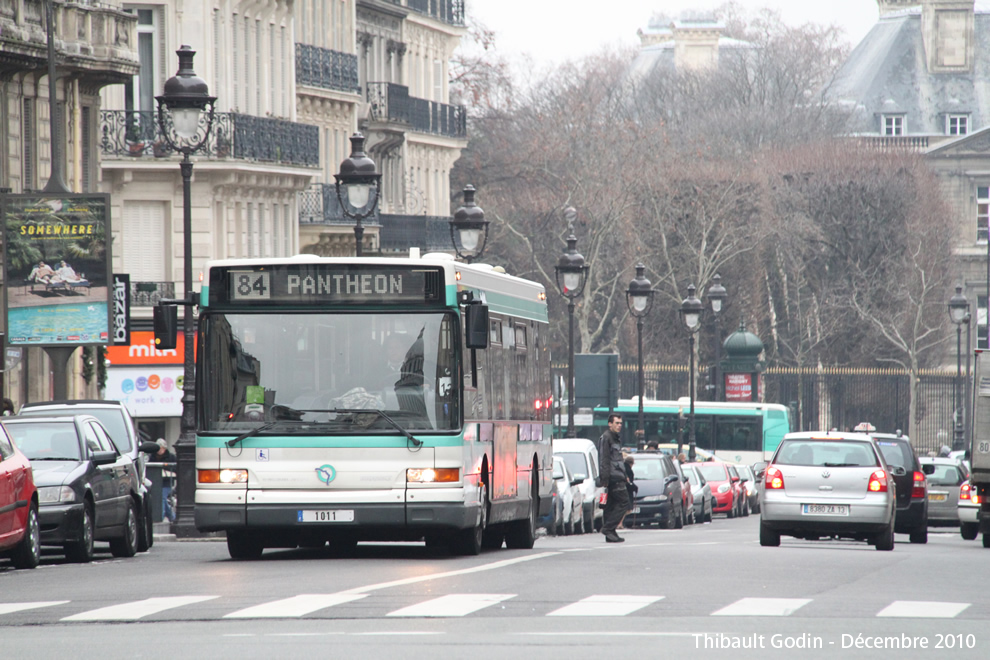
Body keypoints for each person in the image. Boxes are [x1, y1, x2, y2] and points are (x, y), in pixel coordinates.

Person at [596, 414, 630, 543]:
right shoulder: (606, 438)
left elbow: (618, 460)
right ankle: (608, 528)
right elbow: (604, 459)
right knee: (623, 502)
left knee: (610, 505)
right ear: (610, 424)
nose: (619, 425)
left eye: (621, 423)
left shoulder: (615, 438)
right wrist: (605, 479)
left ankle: (610, 533)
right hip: (612, 477)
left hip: (617, 475)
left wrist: (625, 475)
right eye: (617, 423)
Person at [146, 439, 176, 522]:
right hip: (155, 483)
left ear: (164, 448)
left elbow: (176, 469)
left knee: (162, 497)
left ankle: (160, 517)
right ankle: (172, 516)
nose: (159, 450)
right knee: (160, 498)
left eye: (161, 448)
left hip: (166, 483)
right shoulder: (151, 457)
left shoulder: (171, 457)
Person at [618, 453, 637, 530]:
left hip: (621, 490)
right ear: (631, 463)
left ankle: (619, 523)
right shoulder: (628, 470)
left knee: (624, 508)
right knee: (626, 508)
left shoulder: (622, 468)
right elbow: (629, 482)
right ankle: (619, 523)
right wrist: (634, 487)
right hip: (627, 492)